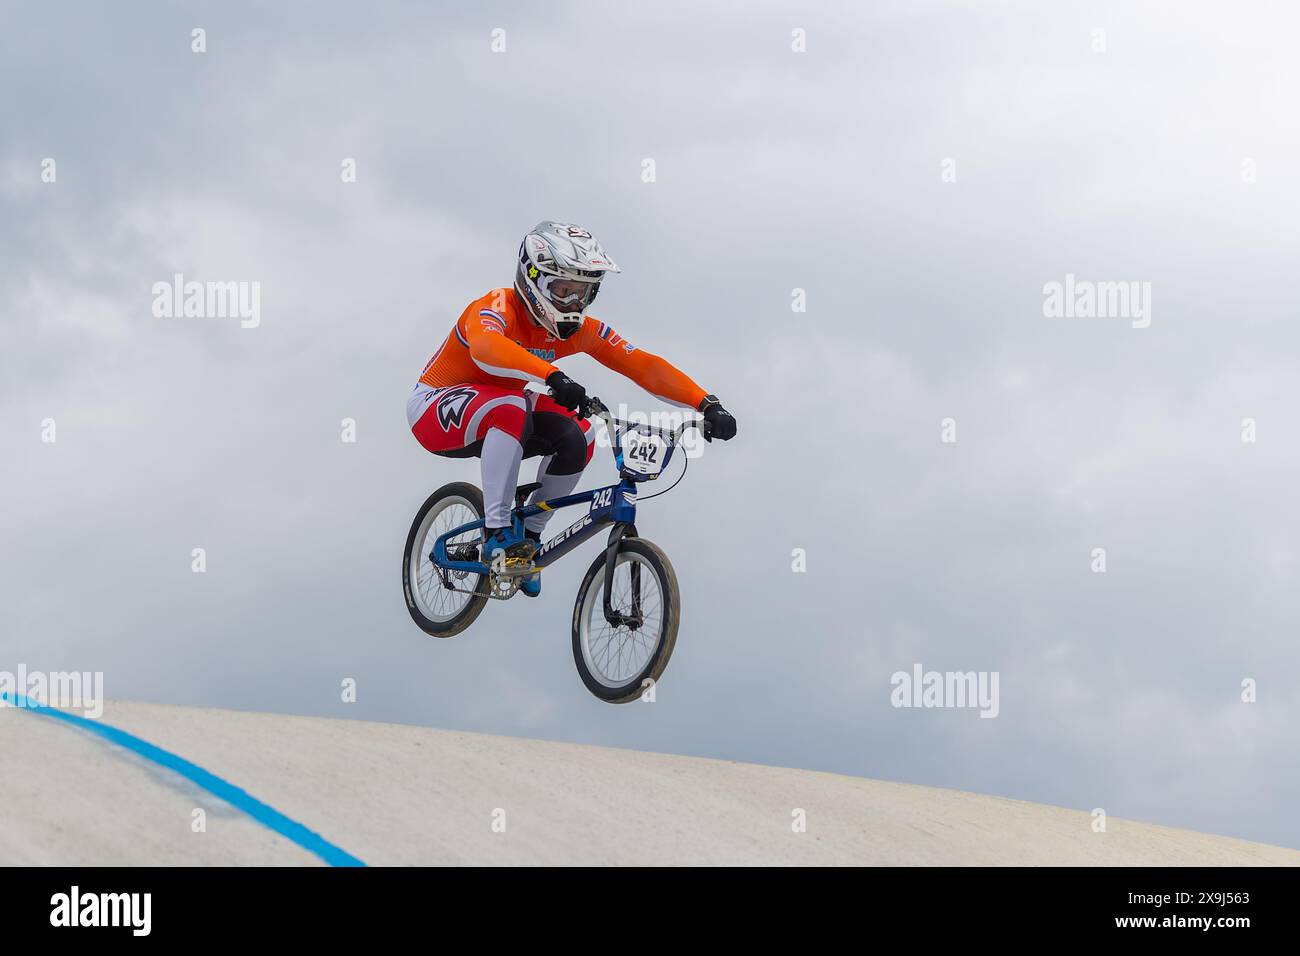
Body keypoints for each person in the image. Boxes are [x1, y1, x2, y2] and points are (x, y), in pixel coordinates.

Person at [407, 221, 736, 596]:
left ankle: (528, 541)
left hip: (501, 408)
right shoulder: (498, 305)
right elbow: (486, 347)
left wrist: (706, 403)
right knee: (511, 406)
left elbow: (642, 365)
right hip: (435, 404)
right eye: (563, 291)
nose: (573, 304)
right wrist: (552, 376)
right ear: (533, 279)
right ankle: (496, 533)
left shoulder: (581, 329)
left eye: (583, 293)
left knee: (580, 430)